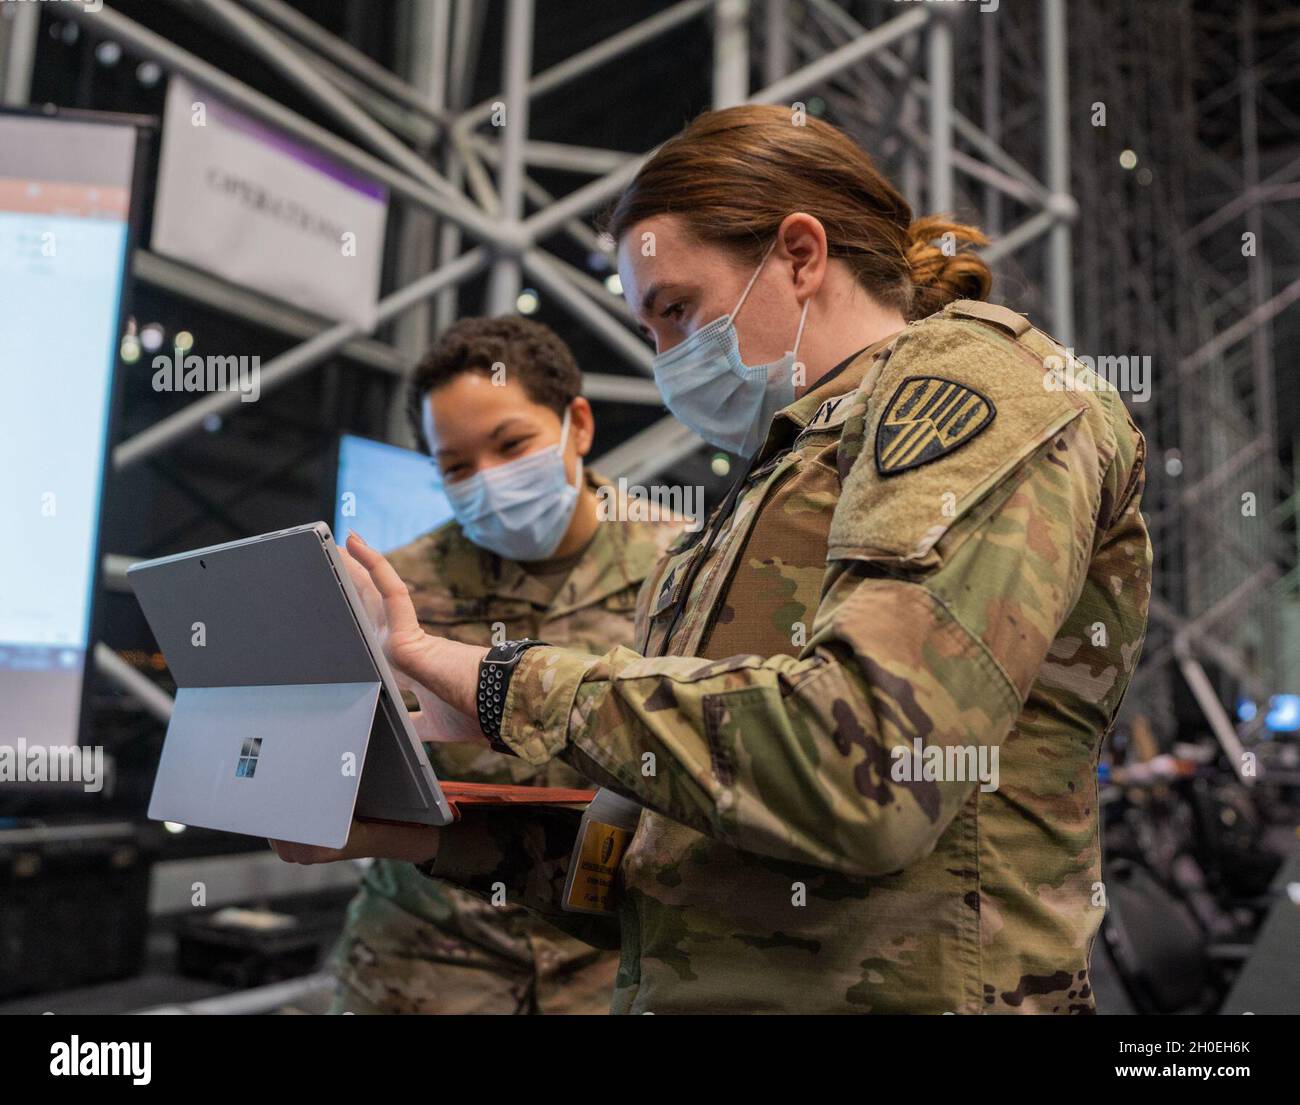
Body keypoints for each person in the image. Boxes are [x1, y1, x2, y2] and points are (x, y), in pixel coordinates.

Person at [281, 104, 1152, 1015]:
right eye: (650, 327)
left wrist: (503, 682)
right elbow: (657, 873)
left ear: (802, 255)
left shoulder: (975, 387)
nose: (668, 355)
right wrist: (411, 832)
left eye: (677, 309)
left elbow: (876, 769)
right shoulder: (755, 500)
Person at [327, 316, 684, 1014]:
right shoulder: (398, 589)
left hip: (612, 956)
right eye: (456, 466)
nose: (488, 481)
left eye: (512, 444)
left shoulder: (681, 567)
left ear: (576, 424)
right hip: (426, 958)